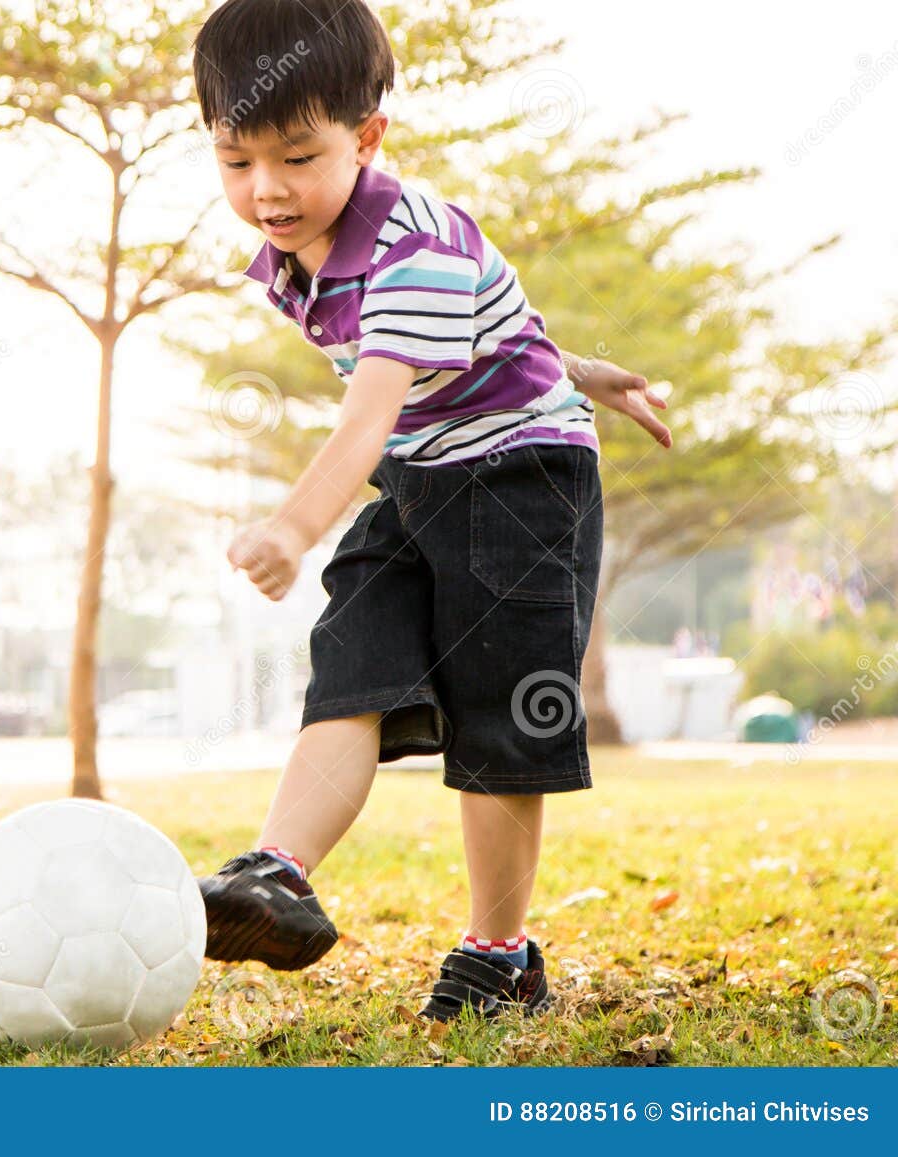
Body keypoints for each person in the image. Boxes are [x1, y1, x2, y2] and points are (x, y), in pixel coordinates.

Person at [190, 0, 674, 1020]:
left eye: (294, 156)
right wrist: (583, 367)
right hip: (418, 477)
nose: (266, 189)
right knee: (351, 662)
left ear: (366, 137)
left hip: (518, 476)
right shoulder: (297, 248)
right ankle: (278, 872)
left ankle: (502, 954)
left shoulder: (412, 244)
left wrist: (289, 526)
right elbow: (486, 328)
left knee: (502, 705)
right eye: (236, 161)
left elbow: (367, 413)